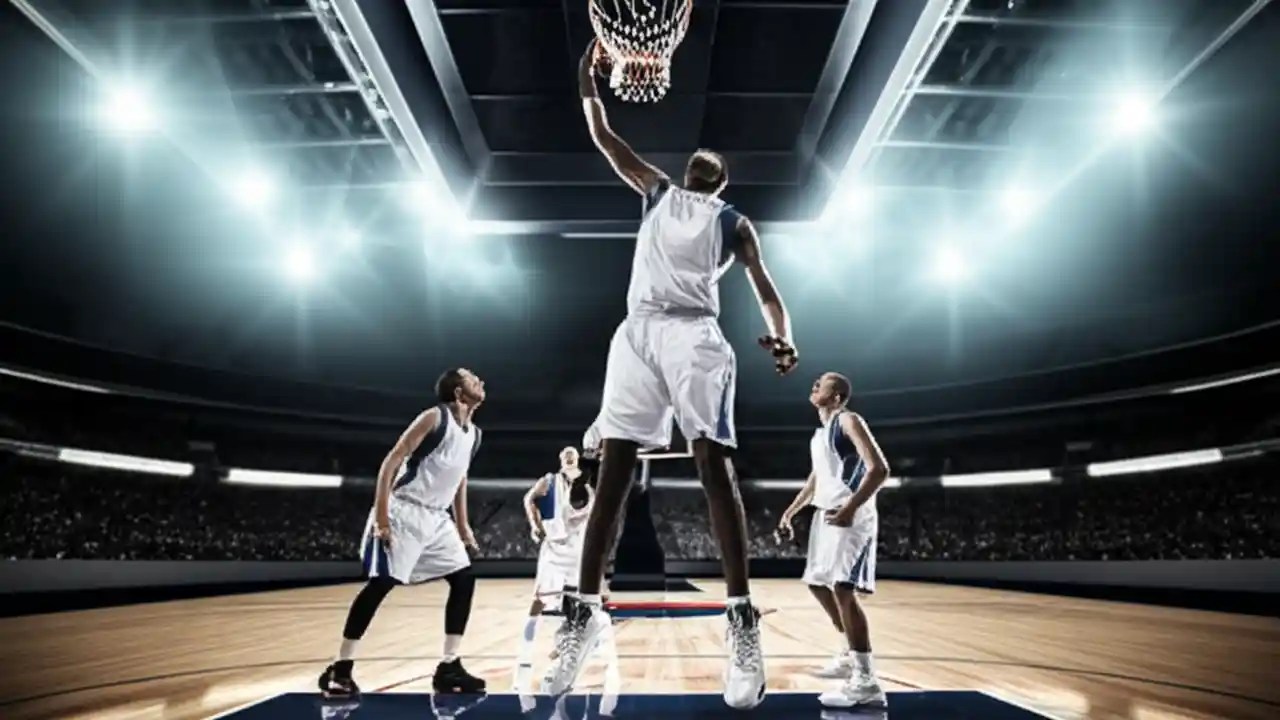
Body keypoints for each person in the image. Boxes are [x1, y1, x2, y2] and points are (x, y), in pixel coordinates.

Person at [542, 39, 799, 710]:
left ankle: (741, 620)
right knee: (613, 475)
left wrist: (781, 335)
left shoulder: (734, 223)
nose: (706, 156)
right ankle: (582, 612)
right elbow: (601, 133)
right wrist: (584, 72)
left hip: (693, 332)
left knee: (713, 465)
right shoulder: (655, 189)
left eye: (716, 160)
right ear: (690, 169)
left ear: (719, 180)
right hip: (636, 333)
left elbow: (768, 291)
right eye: (701, 154)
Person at [318, 368, 488, 698]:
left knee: (464, 578)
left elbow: (459, 480)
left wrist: (464, 526)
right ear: (458, 393)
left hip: (437, 519)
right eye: (471, 378)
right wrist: (382, 518)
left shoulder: (475, 434)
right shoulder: (434, 417)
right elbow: (391, 462)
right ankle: (341, 668)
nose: (479, 380)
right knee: (381, 585)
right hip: (404, 509)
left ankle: (449, 666)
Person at [776, 372, 891, 708]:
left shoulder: (849, 420)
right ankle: (847, 651)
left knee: (843, 588)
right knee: (816, 583)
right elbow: (815, 480)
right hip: (826, 513)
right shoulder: (821, 433)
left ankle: (866, 680)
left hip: (850, 514)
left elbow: (879, 469)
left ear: (838, 396)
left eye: (822, 383)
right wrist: (790, 512)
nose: (814, 385)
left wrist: (851, 507)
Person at [514, 446, 594, 689]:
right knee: (539, 600)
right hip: (555, 544)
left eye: (572, 454)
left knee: (577, 601)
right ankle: (525, 651)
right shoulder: (549, 480)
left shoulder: (589, 484)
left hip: (579, 546)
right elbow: (529, 499)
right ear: (561, 459)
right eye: (565, 454)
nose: (569, 456)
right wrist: (533, 524)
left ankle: (565, 650)